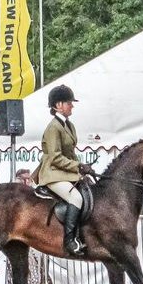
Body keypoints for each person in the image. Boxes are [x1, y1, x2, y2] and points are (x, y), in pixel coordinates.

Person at [36, 85, 88, 257]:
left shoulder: (69, 125)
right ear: (58, 105)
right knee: (76, 198)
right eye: (68, 102)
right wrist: (77, 166)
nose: (72, 105)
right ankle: (69, 241)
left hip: (64, 171)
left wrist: (82, 168)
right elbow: (55, 157)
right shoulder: (53, 128)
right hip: (52, 173)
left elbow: (70, 153)